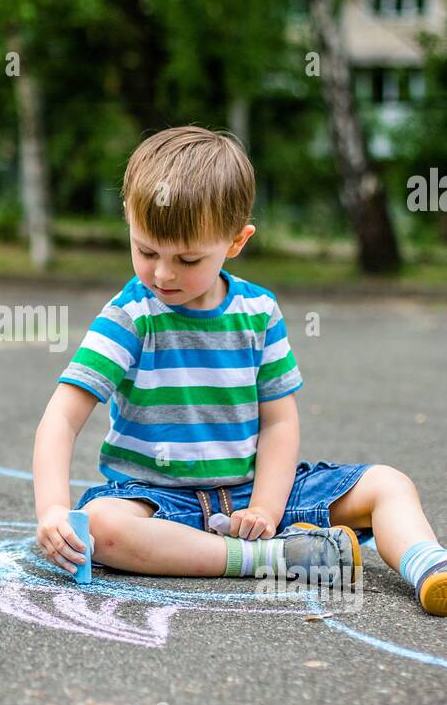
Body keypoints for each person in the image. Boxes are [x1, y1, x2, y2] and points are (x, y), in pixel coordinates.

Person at [33, 126, 447, 616]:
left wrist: (268, 509)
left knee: (389, 485)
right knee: (101, 526)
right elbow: (62, 417)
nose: (163, 274)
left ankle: (430, 567)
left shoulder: (258, 312)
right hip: (158, 503)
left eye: (187, 258)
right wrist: (54, 511)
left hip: (253, 495)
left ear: (236, 241)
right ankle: (276, 558)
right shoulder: (130, 317)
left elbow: (279, 422)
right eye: (146, 251)